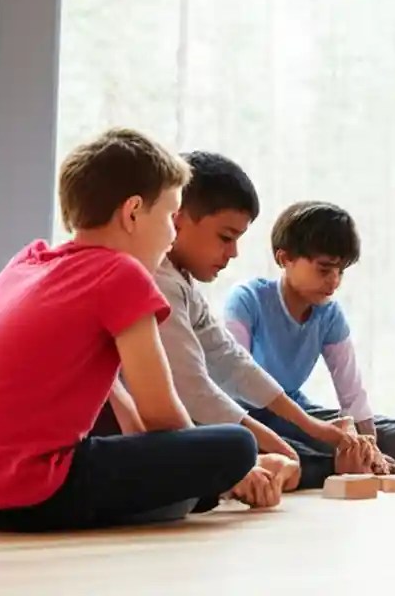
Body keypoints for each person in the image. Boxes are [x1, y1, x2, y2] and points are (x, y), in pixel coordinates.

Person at [0, 129, 262, 532]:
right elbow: (164, 416)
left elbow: (113, 392)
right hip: (28, 494)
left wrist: (162, 454)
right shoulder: (120, 274)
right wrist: (225, 471)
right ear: (133, 212)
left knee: (156, 459)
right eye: (170, 216)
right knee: (237, 446)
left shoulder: (31, 263)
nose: (174, 233)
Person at [156, 152, 383, 493]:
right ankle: (310, 467)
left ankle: (306, 463)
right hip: (223, 415)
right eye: (225, 237)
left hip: (256, 415)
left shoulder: (182, 282)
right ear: (178, 220)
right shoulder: (170, 283)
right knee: (237, 445)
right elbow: (200, 389)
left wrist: (320, 429)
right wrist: (282, 445)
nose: (233, 253)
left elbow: (233, 361)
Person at [225, 201, 395, 469]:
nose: (334, 281)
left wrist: (369, 447)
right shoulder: (248, 300)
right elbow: (236, 378)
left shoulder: (329, 314)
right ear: (285, 259)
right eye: (324, 269)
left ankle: (327, 465)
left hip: (295, 414)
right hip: (246, 416)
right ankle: (323, 466)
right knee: (241, 445)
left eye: (341, 271)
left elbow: (351, 392)